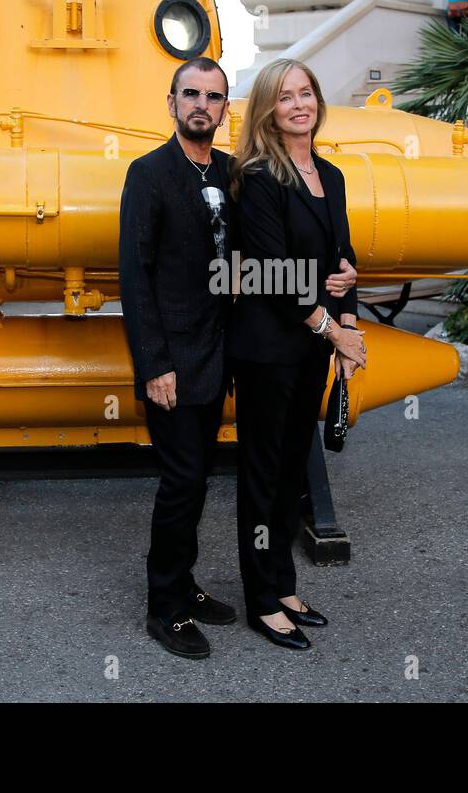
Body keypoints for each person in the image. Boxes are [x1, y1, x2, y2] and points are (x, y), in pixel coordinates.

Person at [227, 58, 366, 650]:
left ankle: (283, 584)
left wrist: (351, 305)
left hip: (311, 345)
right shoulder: (258, 177)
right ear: (268, 110)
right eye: (286, 97)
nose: (299, 104)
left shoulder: (330, 175)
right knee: (262, 475)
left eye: (306, 93)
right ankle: (261, 599)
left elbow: (340, 253)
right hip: (268, 348)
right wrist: (335, 332)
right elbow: (271, 273)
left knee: (291, 474)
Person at [118, 56, 238, 660]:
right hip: (173, 361)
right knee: (182, 481)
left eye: (213, 97)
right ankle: (164, 606)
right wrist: (153, 365)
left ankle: (186, 587)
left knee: (199, 481)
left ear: (224, 109)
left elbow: (252, 261)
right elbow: (135, 278)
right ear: (171, 104)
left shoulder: (232, 173)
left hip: (219, 355)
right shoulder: (148, 175)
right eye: (190, 94)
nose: (201, 104)